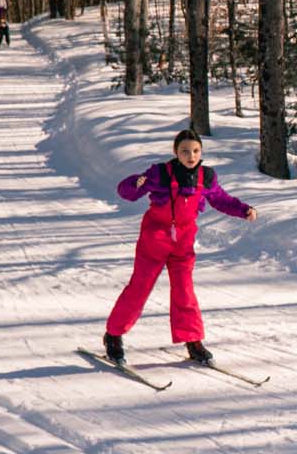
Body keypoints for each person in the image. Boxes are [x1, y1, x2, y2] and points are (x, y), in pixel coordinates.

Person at [102, 129, 255, 366]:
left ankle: (193, 340)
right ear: (176, 152)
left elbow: (221, 200)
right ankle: (113, 336)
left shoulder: (206, 177)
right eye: (185, 151)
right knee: (140, 288)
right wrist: (135, 183)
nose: (191, 156)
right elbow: (127, 193)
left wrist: (244, 210)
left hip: (183, 241)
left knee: (185, 291)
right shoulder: (160, 173)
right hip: (155, 237)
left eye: (195, 151)